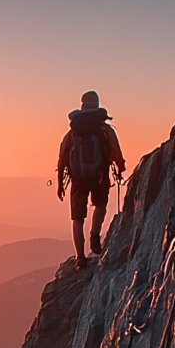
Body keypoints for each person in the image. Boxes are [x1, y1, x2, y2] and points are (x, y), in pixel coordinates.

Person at [56, 90, 125, 265]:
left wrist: (60, 185)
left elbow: (62, 157)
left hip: (78, 179)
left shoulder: (73, 132)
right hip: (99, 175)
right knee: (100, 205)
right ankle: (95, 233)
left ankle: (80, 257)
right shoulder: (104, 129)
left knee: (77, 218)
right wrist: (120, 167)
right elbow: (115, 151)